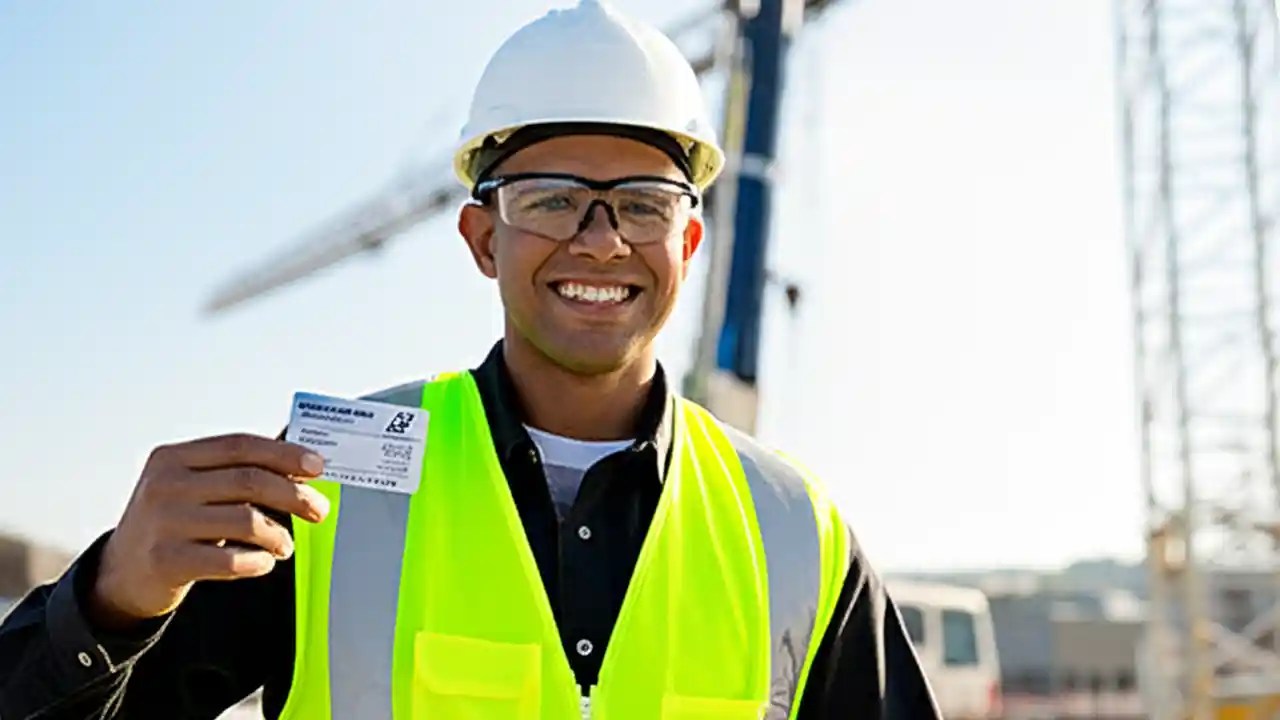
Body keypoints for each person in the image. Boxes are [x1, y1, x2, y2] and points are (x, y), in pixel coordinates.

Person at [0, 2, 941, 718]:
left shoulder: (795, 533)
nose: (601, 241)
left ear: (689, 245)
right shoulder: (336, 480)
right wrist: (111, 606)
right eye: (550, 200)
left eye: (644, 205)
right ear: (481, 239)